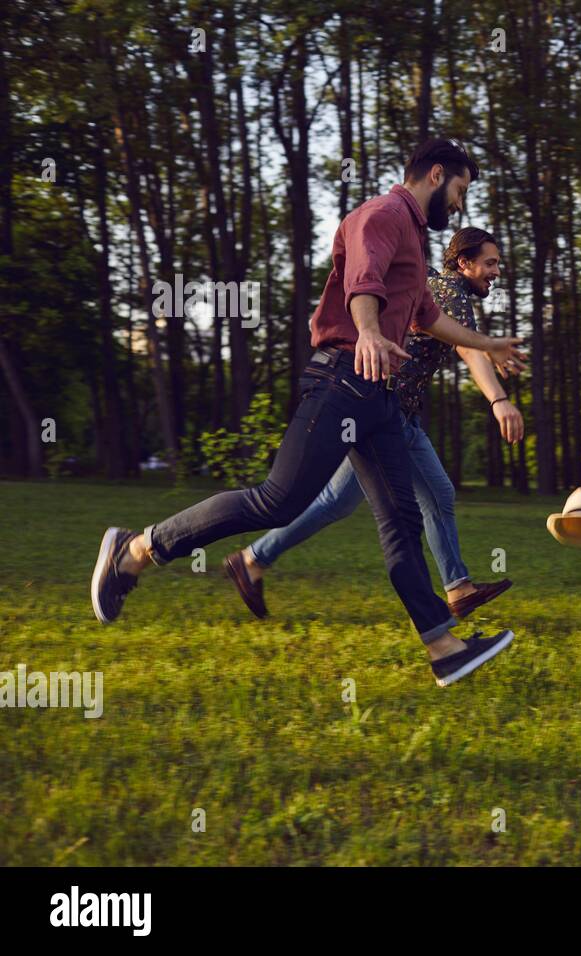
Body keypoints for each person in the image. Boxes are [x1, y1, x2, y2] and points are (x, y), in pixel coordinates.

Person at [91, 138, 527, 688]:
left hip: (381, 398)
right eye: (459, 190)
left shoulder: (414, 237)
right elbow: (360, 279)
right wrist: (368, 329)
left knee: (402, 521)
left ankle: (445, 647)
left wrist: (487, 345)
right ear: (435, 175)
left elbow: (426, 318)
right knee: (280, 500)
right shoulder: (384, 214)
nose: (460, 204)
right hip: (342, 379)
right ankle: (136, 548)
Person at [224, 227, 523, 622]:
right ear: (464, 263)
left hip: (390, 409)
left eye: (497, 264)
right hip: (387, 411)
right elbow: (467, 347)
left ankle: (253, 560)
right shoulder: (453, 292)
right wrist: (499, 400)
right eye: (489, 263)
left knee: (347, 501)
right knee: (425, 498)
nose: (495, 272)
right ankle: (456, 591)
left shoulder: (433, 281)